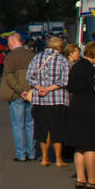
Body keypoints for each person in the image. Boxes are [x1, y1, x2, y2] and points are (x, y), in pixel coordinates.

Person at [66, 41, 95, 189]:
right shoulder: (94, 71)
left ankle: (80, 178)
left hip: (75, 107)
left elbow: (69, 87)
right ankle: (92, 180)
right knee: (90, 147)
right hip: (90, 109)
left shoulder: (75, 67)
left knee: (79, 147)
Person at [27, 35, 71, 167]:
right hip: (58, 99)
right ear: (60, 47)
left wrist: (40, 88)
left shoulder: (37, 58)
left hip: (40, 100)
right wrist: (50, 88)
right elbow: (65, 81)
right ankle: (58, 159)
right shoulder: (62, 60)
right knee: (57, 130)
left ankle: (45, 158)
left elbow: (29, 77)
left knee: (42, 130)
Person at [1, 32, 36, 162]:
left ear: (15, 41)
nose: (8, 45)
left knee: (17, 125)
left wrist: (21, 91)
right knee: (30, 124)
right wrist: (30, 90)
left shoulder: (10, 57)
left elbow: (9, 76)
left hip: (16, 95)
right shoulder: (31, 55)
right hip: (31, 94)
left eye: (9, 42)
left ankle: (21, 154)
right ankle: (32, 153)